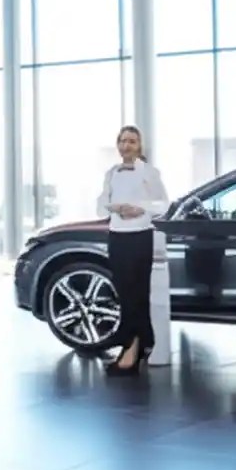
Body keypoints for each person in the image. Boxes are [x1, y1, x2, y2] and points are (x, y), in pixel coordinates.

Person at [96, 125, 169, 376]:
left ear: (140, 146)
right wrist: (114, 207)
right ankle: (136, 344)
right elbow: (100, 205)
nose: (127, 145)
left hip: (140, 237)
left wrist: (139, 208)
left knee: (137, 295)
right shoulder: (111, 173)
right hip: (117, 237)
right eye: (123, 141)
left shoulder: (149, 172)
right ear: (118, 145)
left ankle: (133, 348)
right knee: (124, 294)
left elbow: (162, 204)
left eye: (132, 141)